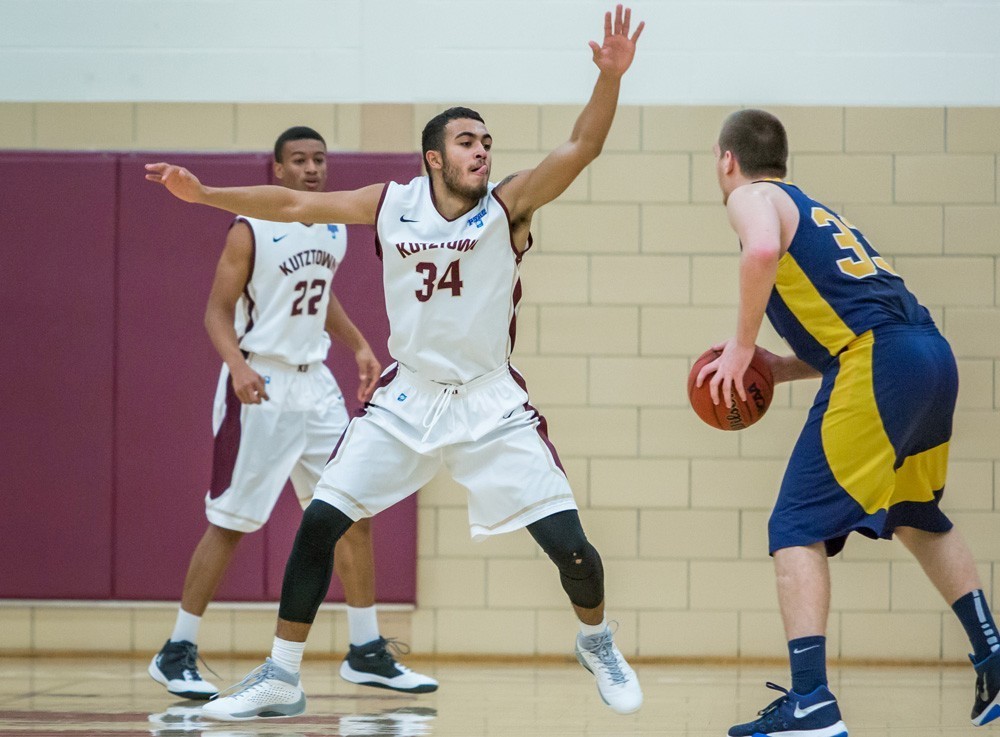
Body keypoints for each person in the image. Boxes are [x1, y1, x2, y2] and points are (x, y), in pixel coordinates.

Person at [145, 4, 645, 720]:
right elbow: (289, 202)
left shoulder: (509, 207)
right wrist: (205, 195)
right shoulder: (391, 204)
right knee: (321, 521)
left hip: (489, 403)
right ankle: (282, 672)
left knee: (575, 553)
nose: (482, 151)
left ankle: (596, 638)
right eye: (466, 141)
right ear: (434, 158)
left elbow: (582, 146)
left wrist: (609, 80)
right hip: (406, 399)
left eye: (487, 142)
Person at [698, 108, 1000, 735]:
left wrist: (738, 348)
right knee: (916, 515)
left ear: (728, 159)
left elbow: (757, 253)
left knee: (794, 525)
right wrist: (776, 367)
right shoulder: (812, 209)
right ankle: (995, 659)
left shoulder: (752, 196)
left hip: (881, 359)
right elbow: (848, 323)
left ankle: (810, 701)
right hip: (927, 354)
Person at [147, 125, 438, 701]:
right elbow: (216, 312)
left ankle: (366, 649)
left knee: (352, 510)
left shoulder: (332, 225)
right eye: (298, 161)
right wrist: (237, 366)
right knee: (231, 522)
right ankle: (176, 649)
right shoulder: (248, 229)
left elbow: (319, 294)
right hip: (260, 381)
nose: (311, 169)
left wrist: (357, 343)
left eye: (319, 160)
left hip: (316, 386)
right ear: (277, 170)